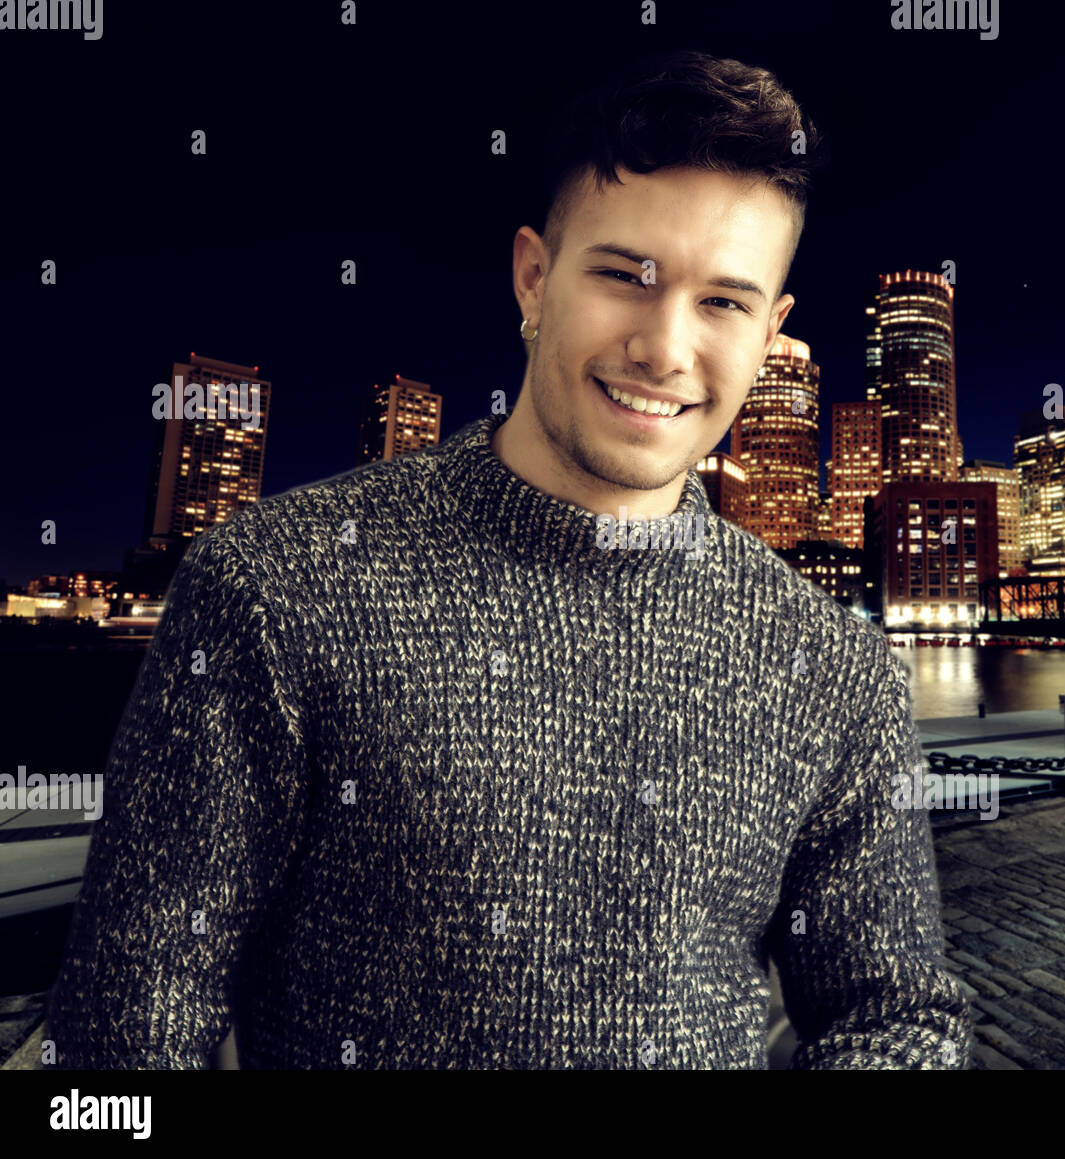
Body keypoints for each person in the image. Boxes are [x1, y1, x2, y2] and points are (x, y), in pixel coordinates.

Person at [43, 47, 971, 1069]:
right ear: (533, 276)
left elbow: (896, 1014)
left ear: (770, 331)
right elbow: (125, 1030)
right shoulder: (273, 585)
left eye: (724, 301)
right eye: (624, 275)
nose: (666, 348)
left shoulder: (833, 667)